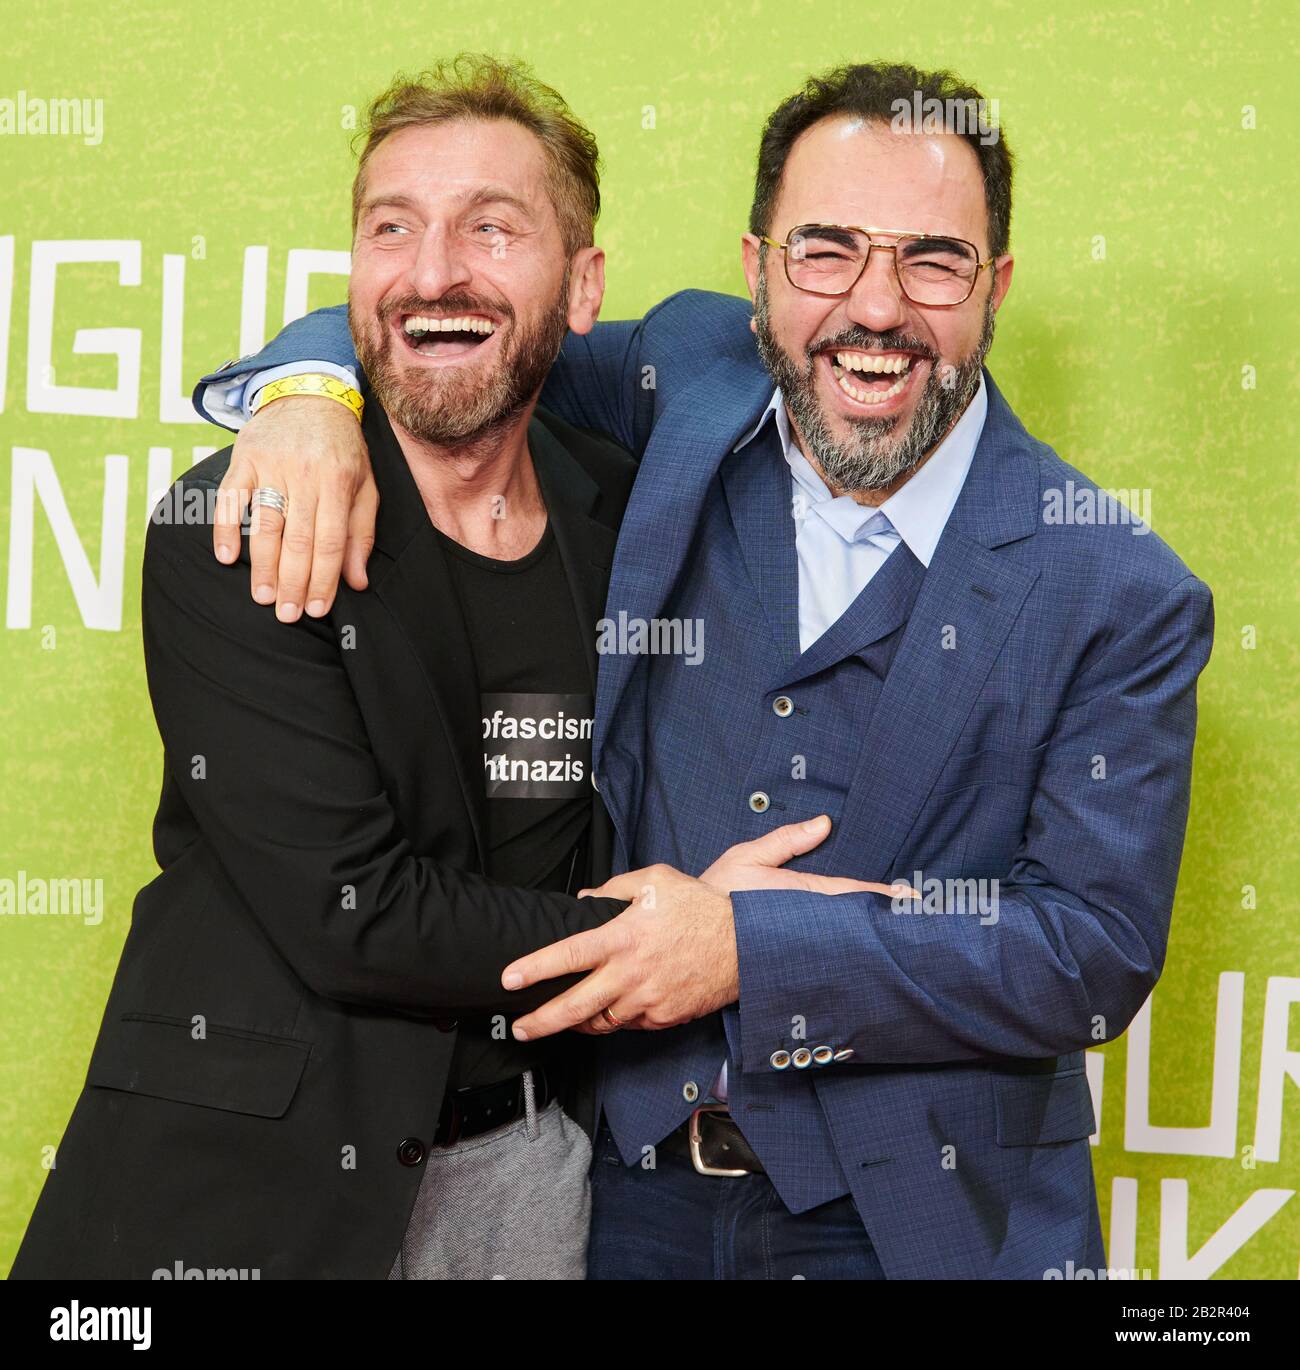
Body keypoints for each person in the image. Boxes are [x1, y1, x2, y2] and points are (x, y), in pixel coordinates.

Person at [191, 60, 1214, 1280]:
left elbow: (1089, 950)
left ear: (991, 287)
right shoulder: (688, 381)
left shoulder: (1116, 582)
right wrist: (307, 393)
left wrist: (748, 946)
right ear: (755, 269)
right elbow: (458, 325)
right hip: (620, 1201)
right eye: (823, 250)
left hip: (925, 1226)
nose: (873, 308)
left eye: (932, 261)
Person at [10, 55, 869, 1283]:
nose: (430, 273)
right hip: (240, 1186)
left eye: (490, 228)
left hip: (531, 1181)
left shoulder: (629, 512)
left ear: (582, 288)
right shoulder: (247, 520)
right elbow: (355, 912)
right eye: (390, 229)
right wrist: (676, 937)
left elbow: (845, 358)